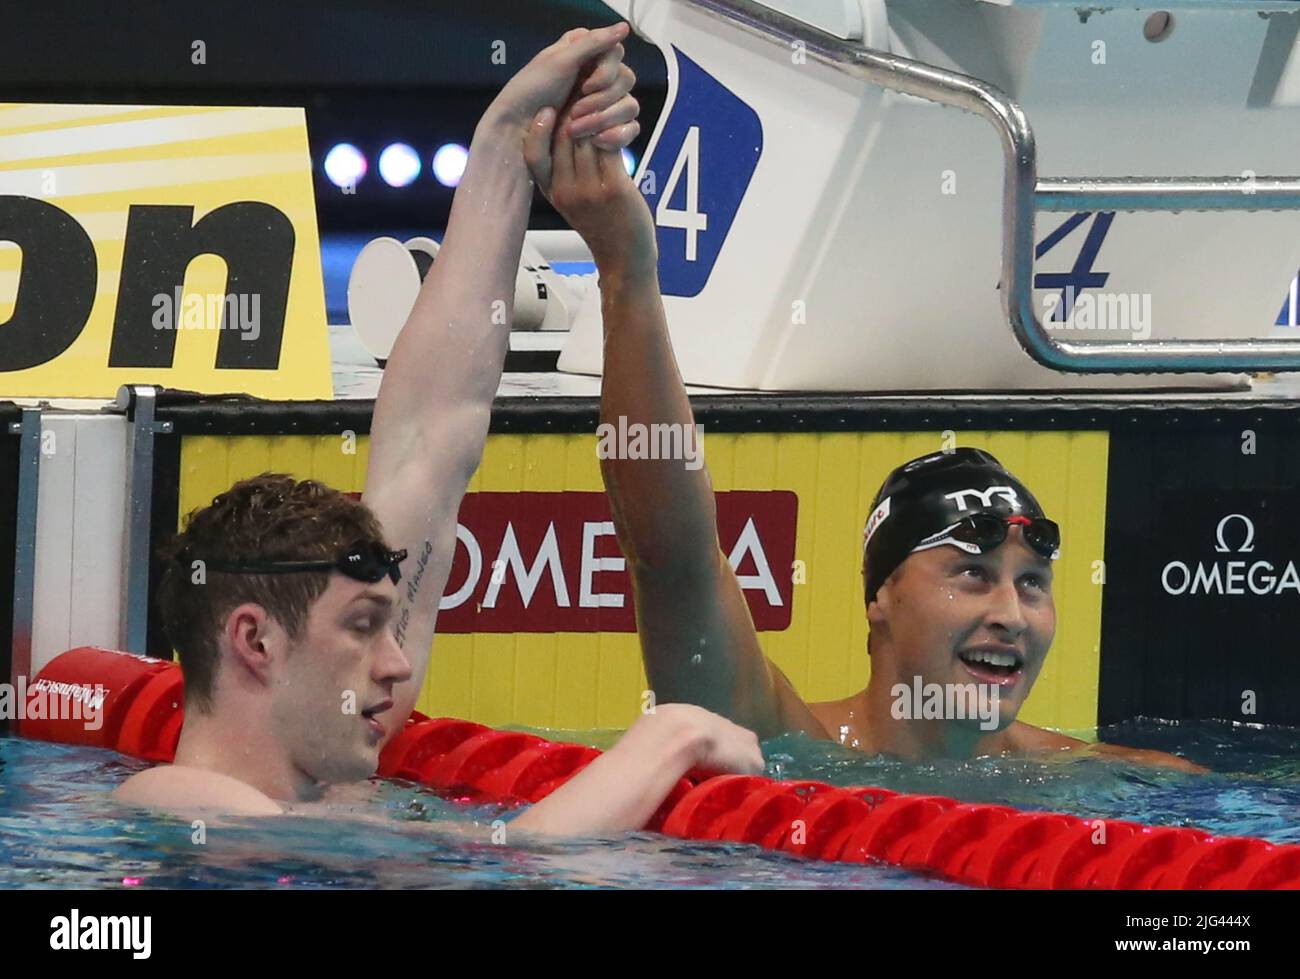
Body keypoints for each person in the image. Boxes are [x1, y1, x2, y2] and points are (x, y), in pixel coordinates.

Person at [113, 23, 766, 832]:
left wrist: (504, 143)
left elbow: (433, 431)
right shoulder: (183, 805)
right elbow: (507, 863)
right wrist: (671, 733)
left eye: (390, 624)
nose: (399, 663)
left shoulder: (329, 787)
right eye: (363, 628)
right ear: (255, 642)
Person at [549, 100, 1204, 772]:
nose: (1011, 612)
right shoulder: (781, 745)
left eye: (1033, 583)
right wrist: (625, 269)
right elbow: (673, 560)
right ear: (880, 598)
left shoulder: (1117, 780)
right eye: (973, 574)